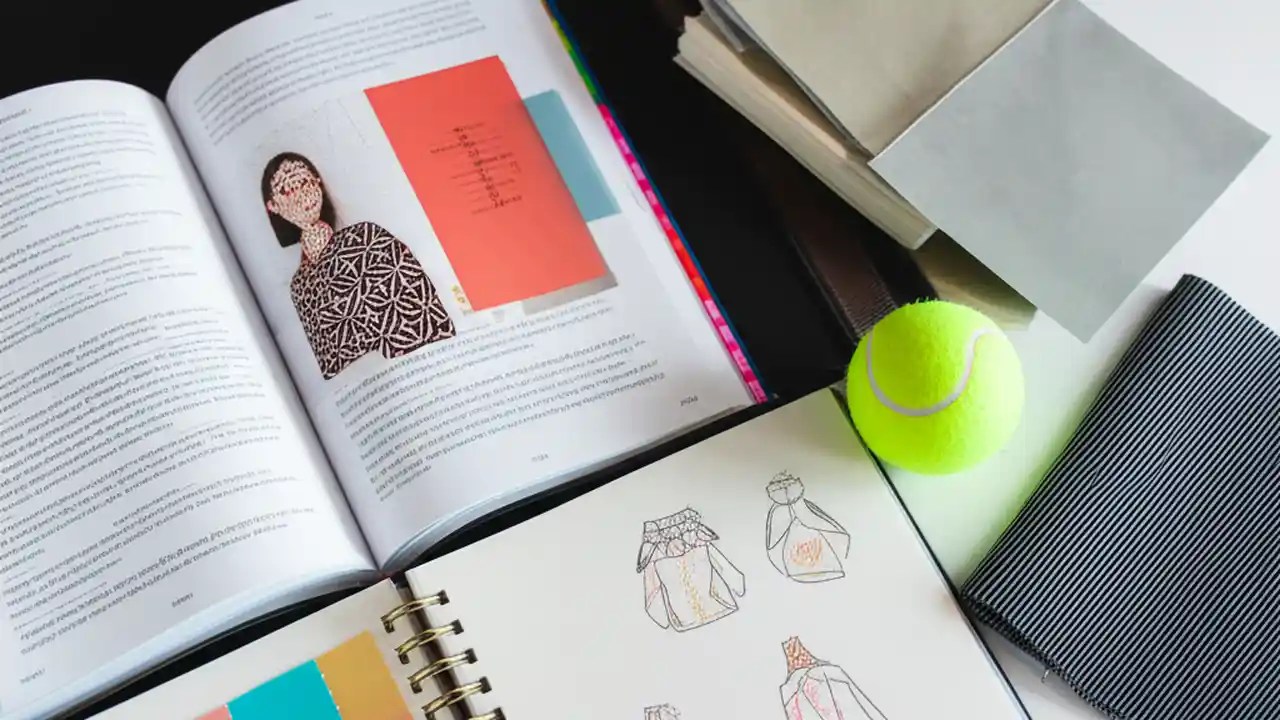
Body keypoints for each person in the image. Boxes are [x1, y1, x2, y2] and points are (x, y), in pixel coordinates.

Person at [262, 152, 455, 379]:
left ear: (317, 182)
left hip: (421, 368)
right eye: (287, 191)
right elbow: (329, 364)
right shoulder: (299, 286)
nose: (302, 195)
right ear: (273, 206)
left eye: (305, 182)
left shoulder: (367, 238)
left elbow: (421, 306)